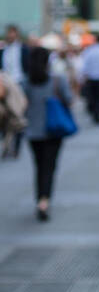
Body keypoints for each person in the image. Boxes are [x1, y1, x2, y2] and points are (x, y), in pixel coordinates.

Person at [22, 44, 74, 221]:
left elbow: (22, 105)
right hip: (54, 129)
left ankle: (40, 199)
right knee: (49, 166)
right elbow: (69, 99)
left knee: (39, 166)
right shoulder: (57, 80)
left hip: (33, 131)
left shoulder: (26, 82)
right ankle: (44, 200)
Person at [1, 24, 30, 156]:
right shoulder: (3, 50)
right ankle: (6, 142)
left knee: (17, 114)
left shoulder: (24, 49)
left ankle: (16, 145)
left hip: (19, 84)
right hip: (5, 85)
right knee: (4, 115)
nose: (10, 35)